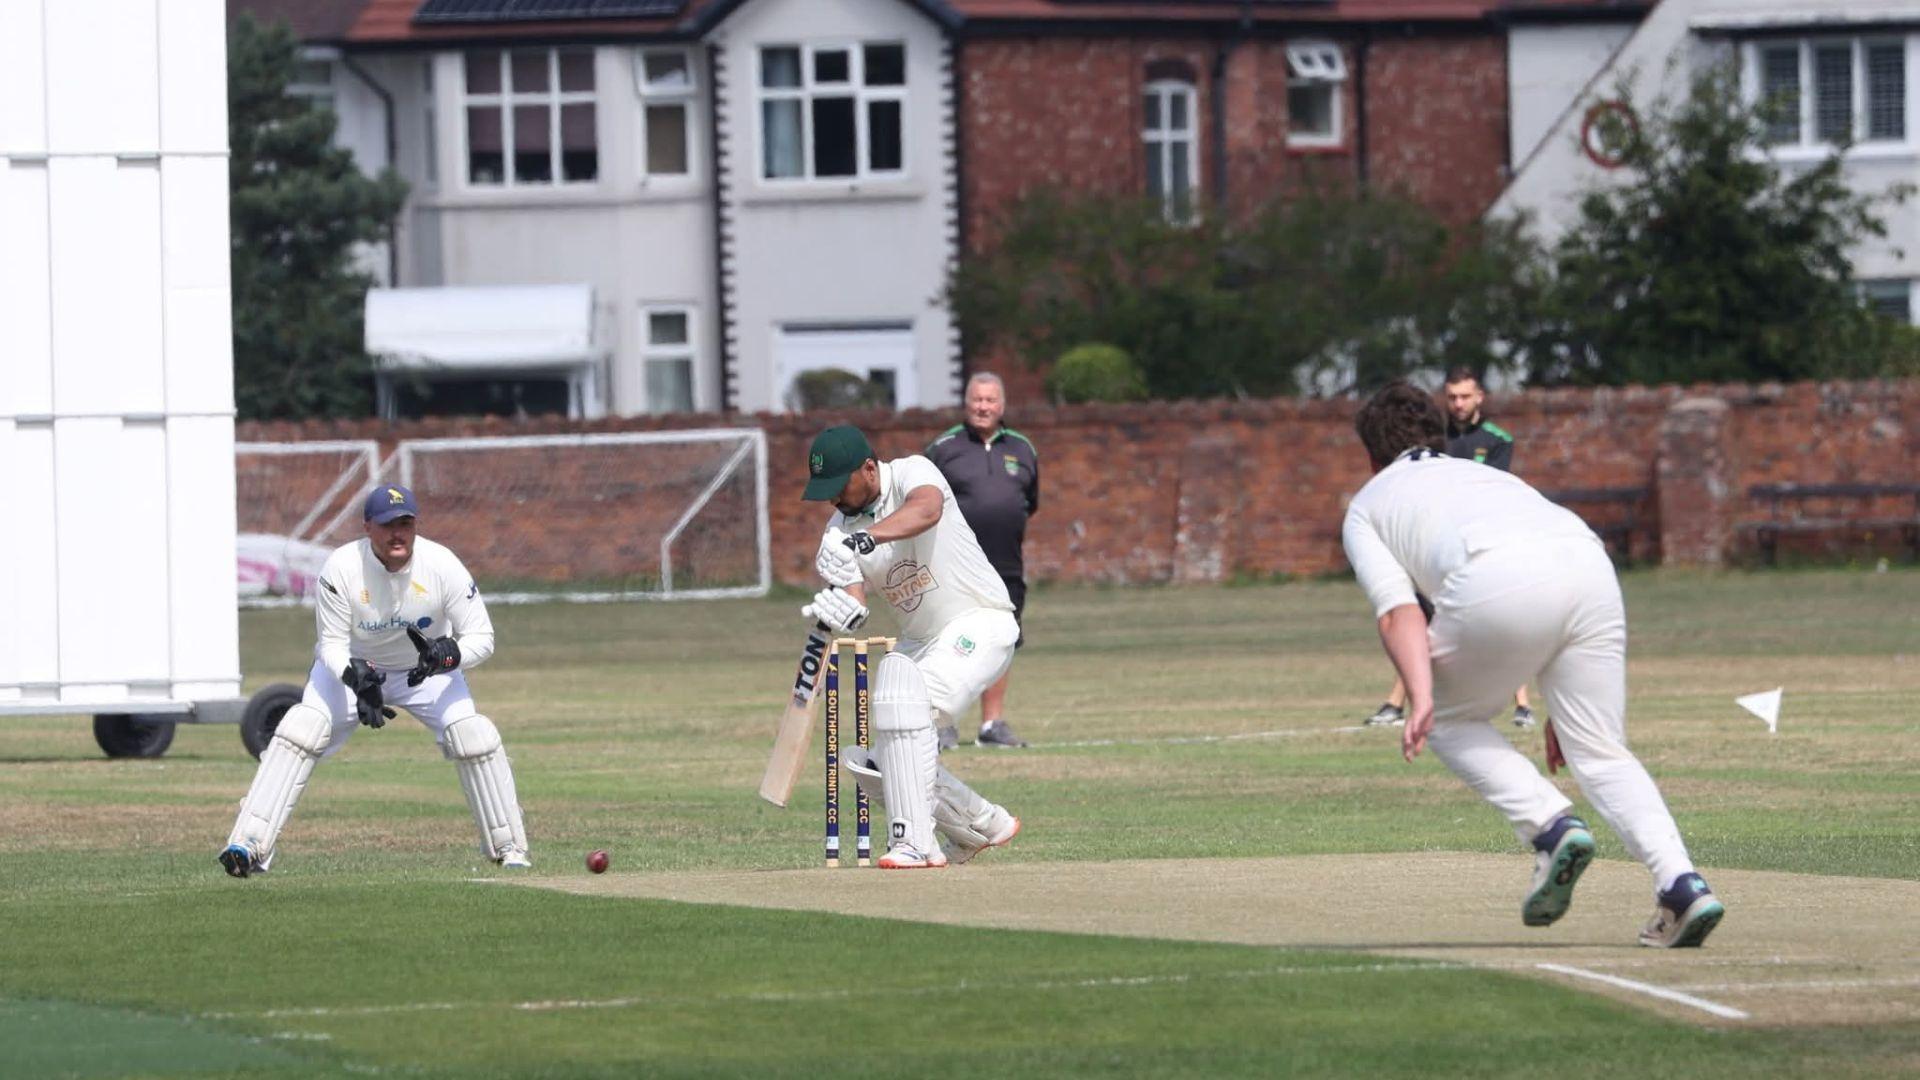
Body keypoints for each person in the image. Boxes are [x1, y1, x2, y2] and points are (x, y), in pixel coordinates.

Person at [1341, 381, 1724, 947]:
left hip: (1495, 578)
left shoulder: (1368, 505)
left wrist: (1421, 698)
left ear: (1371, 456)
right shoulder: (1491, 474)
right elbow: (1547, 569)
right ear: (1442, 435)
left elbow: (1399, 613)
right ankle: (1681, 888)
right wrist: (1560, 697)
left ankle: (1550, 827)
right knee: (1598, 748)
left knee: (1448, 720)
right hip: (1589, 567)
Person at [217, 483, 529, 877]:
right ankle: (248, 846)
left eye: (406, 523)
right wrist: (355, 675)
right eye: (387, 525)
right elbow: (330, 644)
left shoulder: (443, 565)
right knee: (302, 728)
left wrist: (448, 655)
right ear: (368, 527)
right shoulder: (341, 567)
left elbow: (483, 638)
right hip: (358, 670)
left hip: (426, 672)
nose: (397, 533)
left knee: (474, 735)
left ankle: (510, 848)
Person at [802, 424, 1022, 869]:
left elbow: (927, 510)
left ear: (868, 468)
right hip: (920, 641)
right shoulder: (835, 530)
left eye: (838, 486)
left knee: (906, 704)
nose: (832, 499)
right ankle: (984, 823)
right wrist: (841, 611)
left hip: (979, 620)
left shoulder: (911, 473)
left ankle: (917, 844)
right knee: (880, 765)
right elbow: (854, 597)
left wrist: (867, 537)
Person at [1365, 368, 1534, 729]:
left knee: (1499, 620)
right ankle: (1398, 702)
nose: (1458, 404)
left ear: (1479, 397)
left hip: (1484, 543)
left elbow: (1494, 491)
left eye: (1465, 396)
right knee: (1422, 618)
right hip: (1441, 543)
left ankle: (1523, 703)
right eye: (1452, 397)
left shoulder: (1497, 440)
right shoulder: (1435, 438)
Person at [926, 372, 1038, 749]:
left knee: (1002, 642)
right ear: (966, 403)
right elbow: (922, 502)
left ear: (1002, 405)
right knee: (948, 641)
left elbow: (1029, 503)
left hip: (1006, 564)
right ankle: (942, 724)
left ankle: (992, 725)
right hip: (953, 568)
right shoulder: (943, 447)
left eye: (990, 400)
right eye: (977, 399)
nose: (983, 407)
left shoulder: (1023, 449)